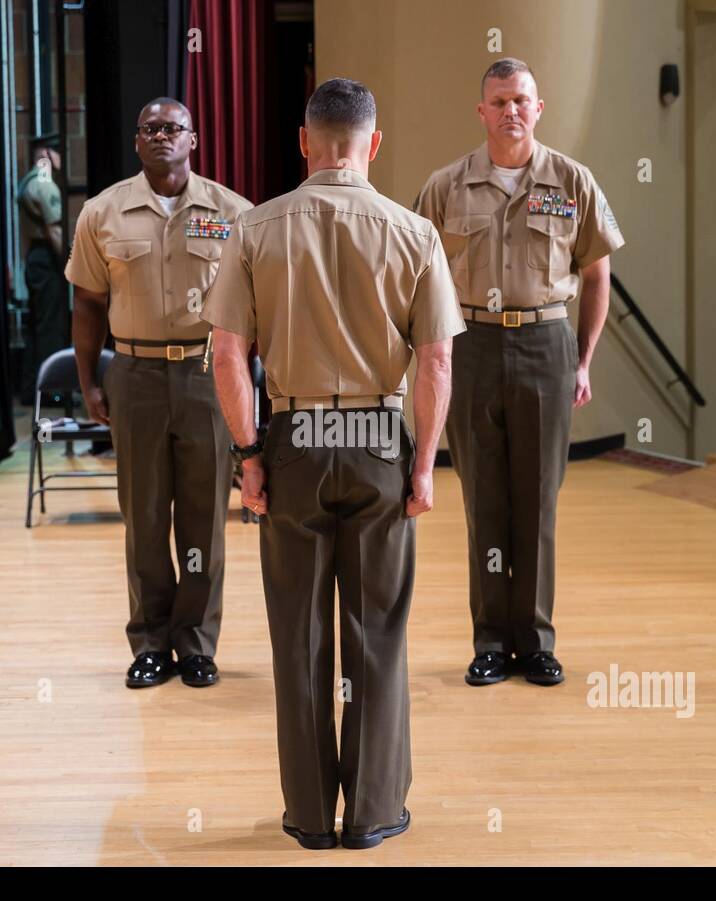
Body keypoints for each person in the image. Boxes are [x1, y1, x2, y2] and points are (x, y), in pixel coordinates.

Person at [206, 78, 463, 849]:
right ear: (372, 144)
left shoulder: (253, 229)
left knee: (299, 637)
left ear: (303, 141)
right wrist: (422, 467)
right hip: (382, 444)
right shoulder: (414, 232)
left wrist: (249, 456)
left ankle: (311, 818)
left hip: (294, 444)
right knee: (378, 634)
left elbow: (226, 354)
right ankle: (377, 812)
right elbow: (438, 363)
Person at [415, 57, 625, 687]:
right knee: (484, 499)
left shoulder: (572, 181)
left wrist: (581, 360)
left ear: (539, 109)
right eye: (499, 100)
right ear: (482, 112)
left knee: (537, 501)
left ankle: (534, 640)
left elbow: (596, 275)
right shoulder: (445, 186)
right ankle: (488, 642)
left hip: (544, 344)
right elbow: (419, 276)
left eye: (521, 100)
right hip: (472, 343)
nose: (511, 110)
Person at [65, 98, 252, 688]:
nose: (162, 136)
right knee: (143, 516)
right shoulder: (102, 214)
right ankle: (149, 643)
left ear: (193, 139)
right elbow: (89, 303)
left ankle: (195, 644)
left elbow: (255, 310)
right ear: (137, 140)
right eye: (151, 128)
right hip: (137, 376)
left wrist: (251, 386)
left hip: (205, 375)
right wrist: (88, 380)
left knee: (203, 518)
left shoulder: (234, 212)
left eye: (173, 127)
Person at [17, 133, 69, 401]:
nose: (62, 158)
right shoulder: (44, 185)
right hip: (47, 258)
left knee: (39, 327)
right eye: (57, 152)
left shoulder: (28, 180)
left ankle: (32, 390)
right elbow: (54, 231)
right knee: (50, 326)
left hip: (36, 258)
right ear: (47, 155)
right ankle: (52, 391)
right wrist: (70, 266)